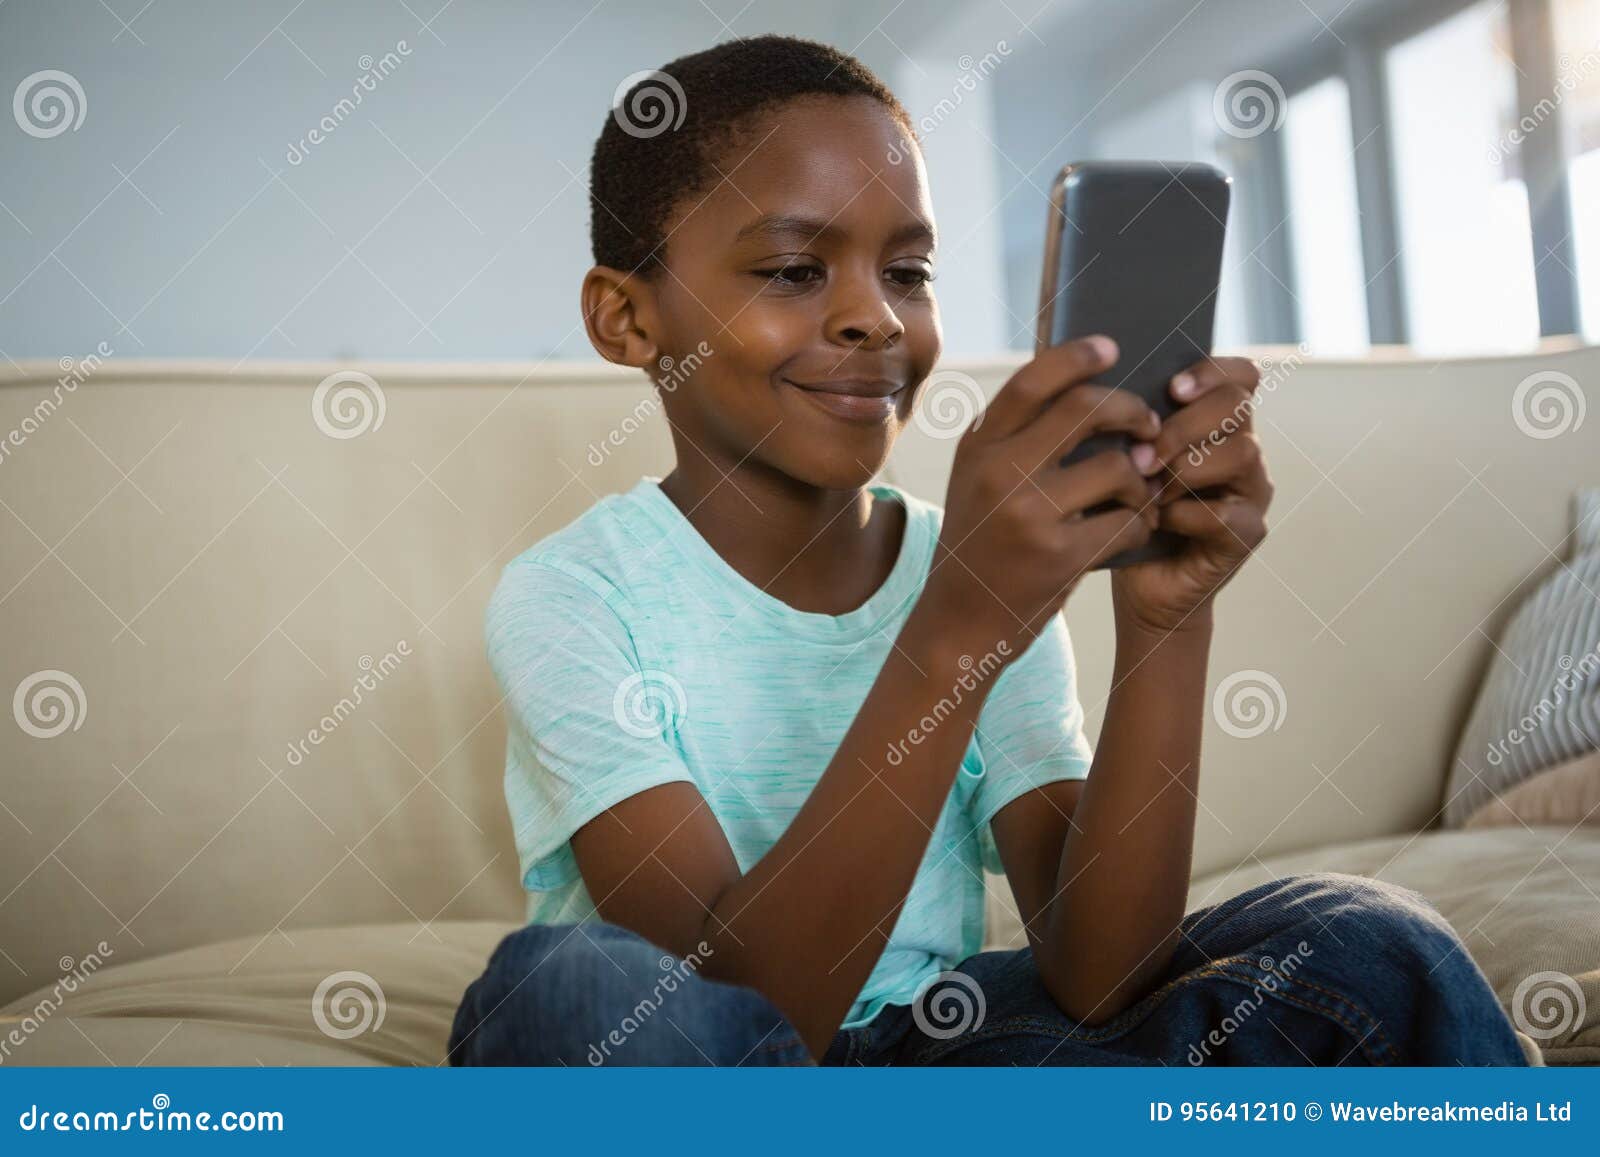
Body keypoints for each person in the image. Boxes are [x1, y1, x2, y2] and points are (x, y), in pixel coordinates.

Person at [448, 35, 1527, 1067]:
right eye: (790, 270)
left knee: (1364, 941)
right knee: (571, 987)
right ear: (628, 320)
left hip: (945, 1051)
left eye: (908, 271)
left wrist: (1167, 617)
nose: (874, 317)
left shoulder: (968, 567)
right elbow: (734, 1011)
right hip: (708, 1067)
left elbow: (1102, 978)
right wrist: (956, 629)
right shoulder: (573, 595)